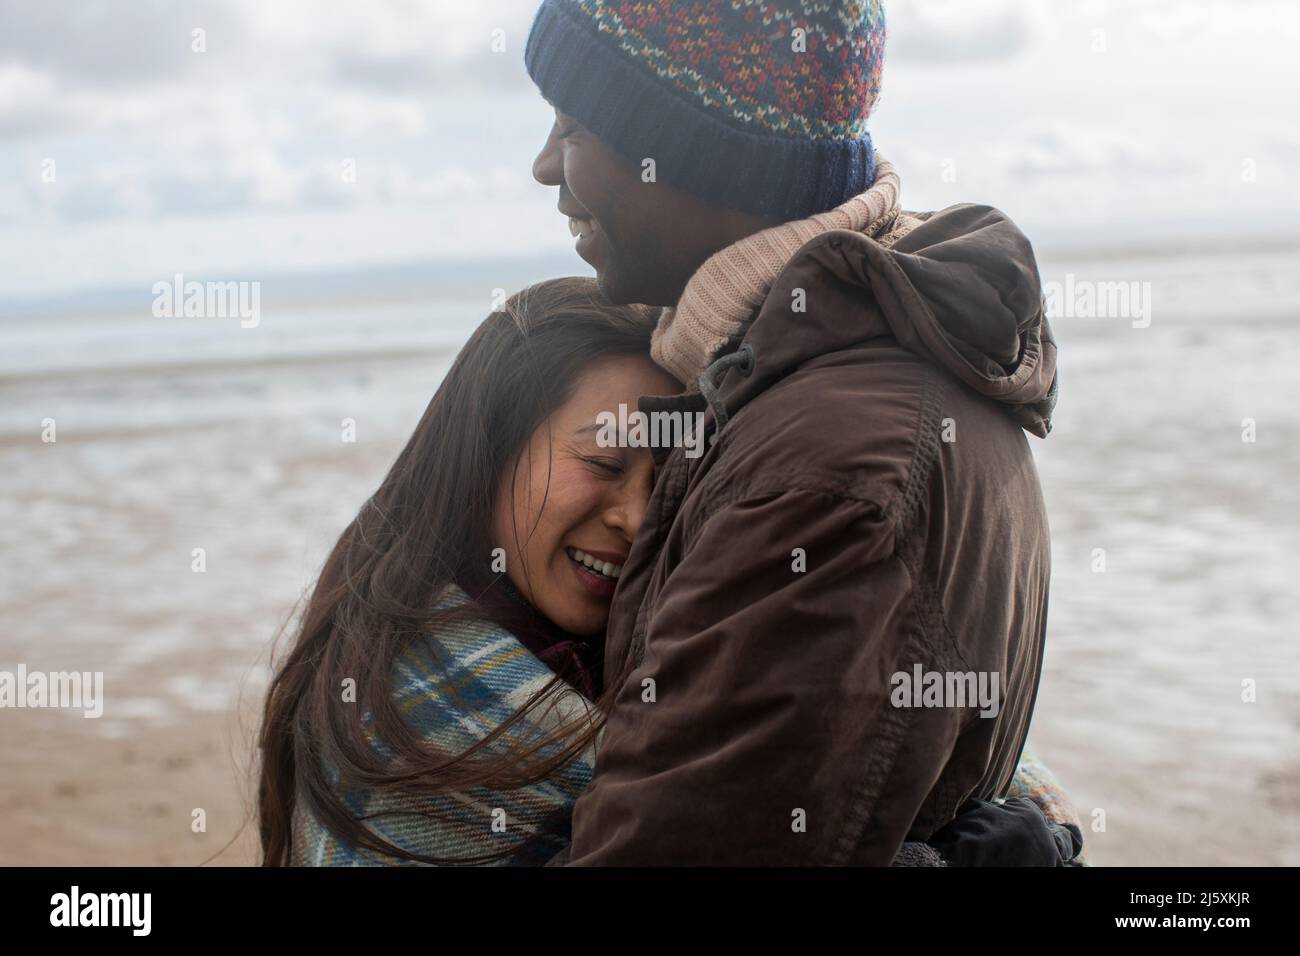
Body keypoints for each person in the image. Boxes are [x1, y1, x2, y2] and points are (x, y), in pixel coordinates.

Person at [257, 277, 1081, 866]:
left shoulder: (630, 646)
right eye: (606, 462)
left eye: (677, 480)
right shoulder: (419, 710)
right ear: (483, 462)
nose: (637, 516)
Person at [524, 0, 1067, 864]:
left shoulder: (825, 464)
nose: (544, 167)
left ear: (699, 153)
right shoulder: (810, 379)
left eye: (574, 125)